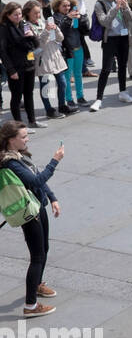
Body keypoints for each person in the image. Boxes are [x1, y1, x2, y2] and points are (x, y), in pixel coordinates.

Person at [0, 119, 62, 316]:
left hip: (38, 206)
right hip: (28, 213)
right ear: (11, 140)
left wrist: (52, 198)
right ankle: (30, 306)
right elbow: (36, 180)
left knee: (44, 248)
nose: (27, 140)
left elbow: (35, 178)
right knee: (37, 257)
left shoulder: (19, 155)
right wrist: (55, 161)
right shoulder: (9, 162)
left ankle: (37, 284)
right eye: (24, 137)